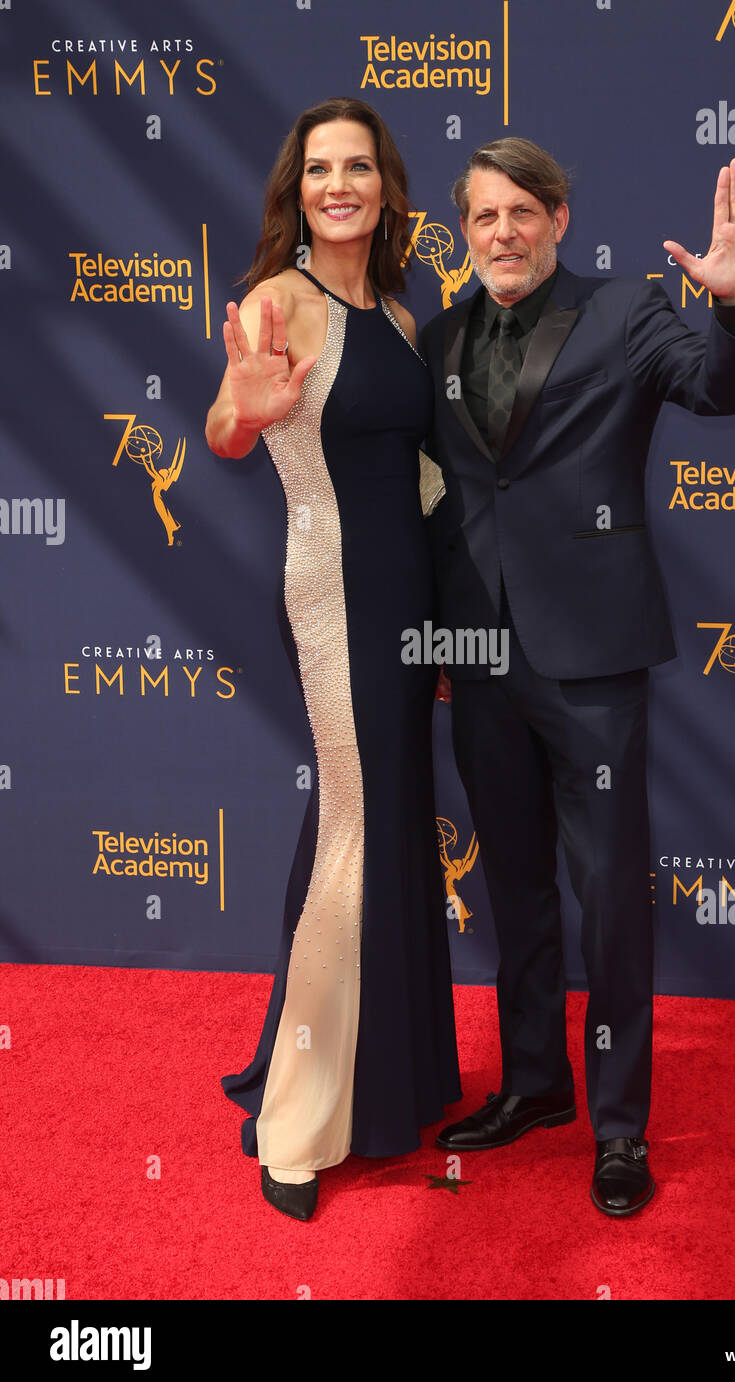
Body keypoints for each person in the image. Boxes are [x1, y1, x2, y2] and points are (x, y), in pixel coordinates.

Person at [418, 140, 735, 1216]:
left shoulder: (624, 312)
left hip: (594, 660)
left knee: (613, 897)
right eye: (484, 216)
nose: (503, 233)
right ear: (464, 230)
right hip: (479, 657)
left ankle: (620, 1128)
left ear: (560, 218)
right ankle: (535, 1083)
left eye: (522, 212)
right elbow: (442, 501)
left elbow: (726, 389)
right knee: (514, 888)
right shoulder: (437, 340)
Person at [205, 97, 460, 1221]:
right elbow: (224, 427)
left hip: (407, 605)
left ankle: (391, 1080)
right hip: (333, 599)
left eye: (358, 166)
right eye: (320, 169)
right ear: (296, 191)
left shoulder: (401, 315)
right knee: (356, 829)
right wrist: (244, 412)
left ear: (385, 187)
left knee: (386, 822)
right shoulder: (280, 301)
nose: (340, 185)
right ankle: (298, 1127)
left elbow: (422, 479)